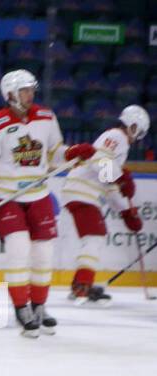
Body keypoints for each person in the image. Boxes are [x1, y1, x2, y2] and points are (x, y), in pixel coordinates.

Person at [0, 70, 94, 337]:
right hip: (7, 198)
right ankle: (21, 309)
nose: (30, 94)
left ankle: (39, 307)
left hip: (38, 195)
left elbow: (55, 155)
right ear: (11, 94)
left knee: (44, 253)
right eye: (25, 90)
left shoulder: (47, 118)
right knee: (18, 249)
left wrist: (72, 153)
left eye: (31, 90)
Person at [61, 105, 149, 305]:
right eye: (138, 131)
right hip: (81, 191)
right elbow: (97, 162)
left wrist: (125, 211)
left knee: (95, 237)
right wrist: (121, 179)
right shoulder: (117, 136)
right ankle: (82, 286)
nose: (136, 137)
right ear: (132, 125)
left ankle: (81, 283)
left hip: (84, 192)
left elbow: (108, 183)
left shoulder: (119, 143)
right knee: (95, 237)